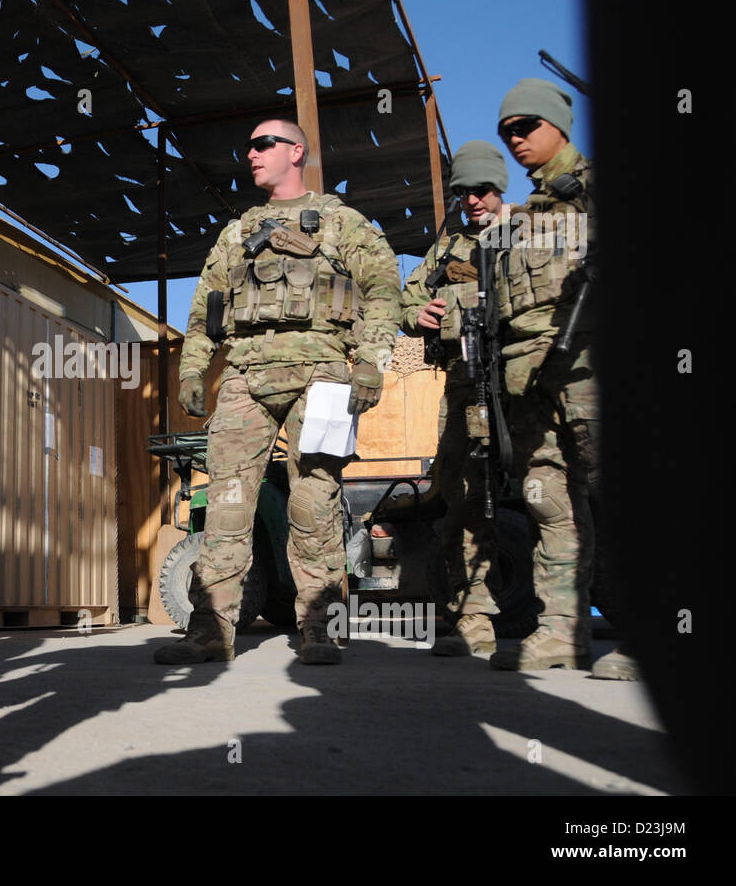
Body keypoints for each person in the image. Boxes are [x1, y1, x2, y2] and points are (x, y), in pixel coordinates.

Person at [155, 119, 400, 665]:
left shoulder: (342, 222)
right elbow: (205, 309)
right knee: (226, 503)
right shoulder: (236, 234)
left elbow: (385, 291)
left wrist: (371, 362)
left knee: (314, 501)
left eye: (264, 144)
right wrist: (192, 370)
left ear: (296, 151)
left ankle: (320, 628)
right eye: (248, 145)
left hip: (322, 373)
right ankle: (211, 629)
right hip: (245, 372)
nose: (252, 153)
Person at [488, 79, 611, 673]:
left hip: (586, 367)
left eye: (525, 126)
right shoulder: (522, 218)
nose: (515, 138)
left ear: (559, 124)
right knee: (548, 504)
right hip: (528, 380)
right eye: (506, 131)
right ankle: (563, 632)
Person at [399, 141, 511, 657]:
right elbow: (406, 300)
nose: (472, 201)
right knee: (462, 494)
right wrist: (416, 314)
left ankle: (562, 619)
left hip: (525, 381)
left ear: (500, 187)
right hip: (465, 384)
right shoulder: (446, 250)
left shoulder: (530, 234)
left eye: (481, 190)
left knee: (550, 490)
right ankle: (472, 615)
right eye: (464, 192)